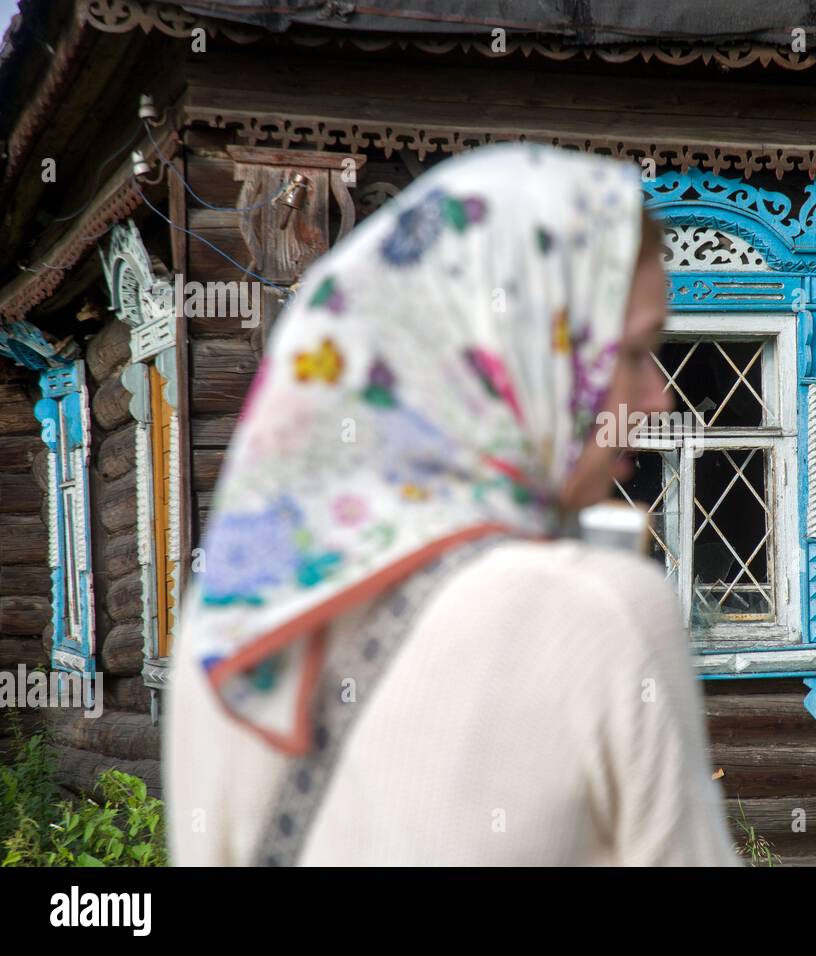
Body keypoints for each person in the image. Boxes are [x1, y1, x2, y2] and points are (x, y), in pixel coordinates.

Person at [163, 143, 740, 866]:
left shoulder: (228, 622)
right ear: (516, 347)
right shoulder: (598, 611)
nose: (659, 398)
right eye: (628, 353)